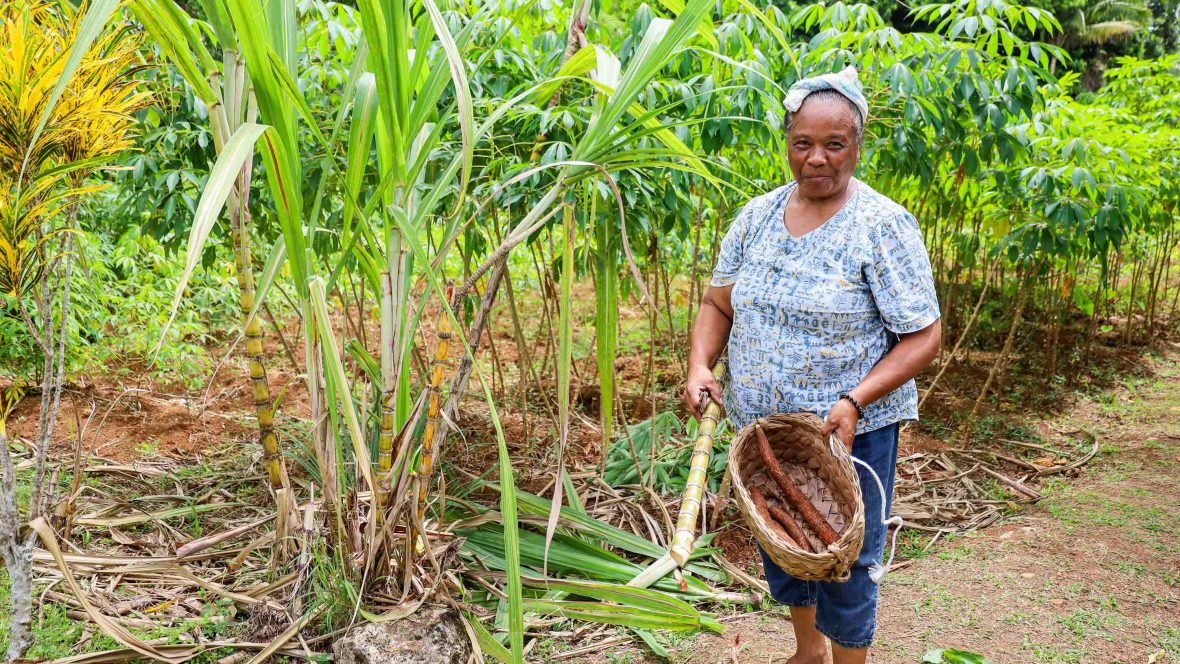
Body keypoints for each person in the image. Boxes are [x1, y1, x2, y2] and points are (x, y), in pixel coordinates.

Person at [683, 67, 942, 664]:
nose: (817, 158)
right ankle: (808, 651)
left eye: (834, 144)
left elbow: (923, 335)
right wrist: (701, 364)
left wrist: (855, 400)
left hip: (846, 429)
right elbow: (717, 303)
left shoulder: (882, 226)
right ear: (787, 143)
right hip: (763, 430)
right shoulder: (756, 217)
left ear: (857, 144)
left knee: (845, 555)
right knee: (786, 543)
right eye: (803, 143)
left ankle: (848, 658)